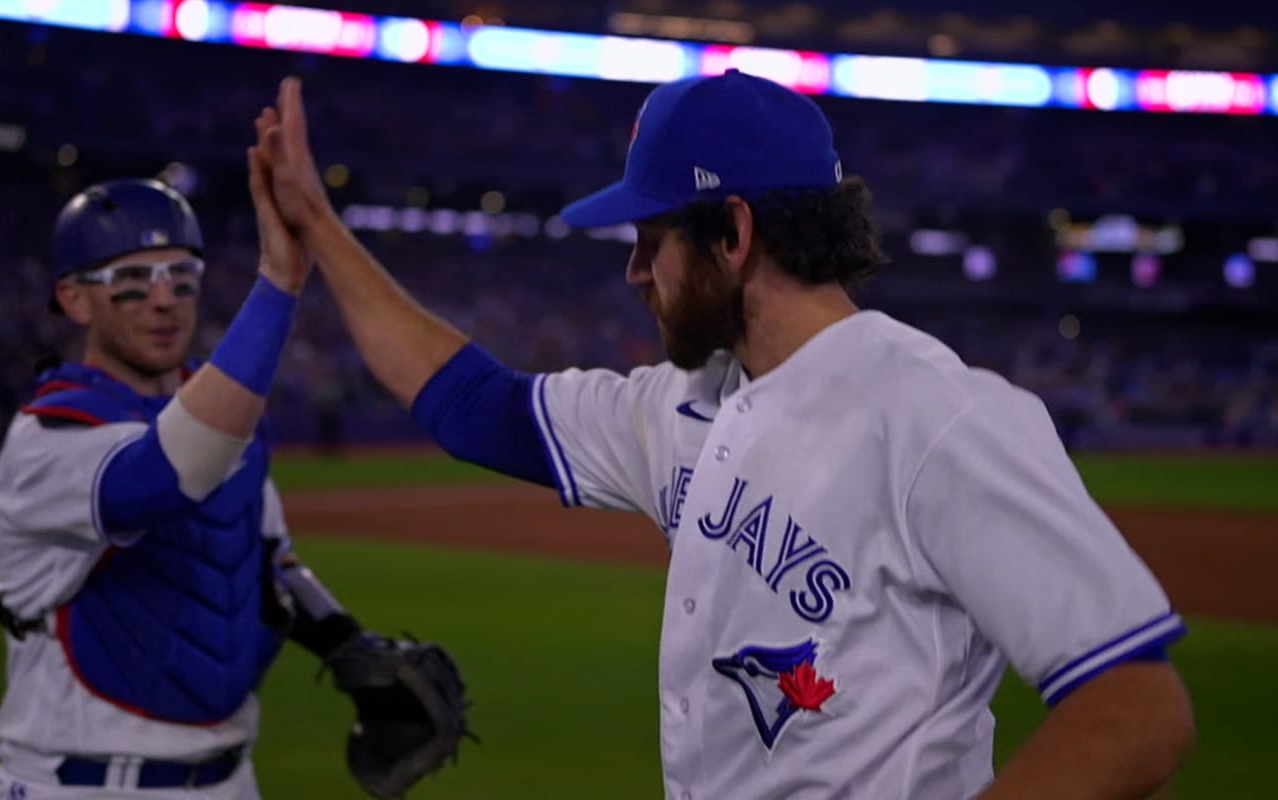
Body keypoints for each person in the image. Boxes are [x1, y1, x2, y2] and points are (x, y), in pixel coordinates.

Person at [254, 71, 1194, 799]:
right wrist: (318, 228)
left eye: (651, 237)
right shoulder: (683, 406)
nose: (633, 270)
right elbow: (475, 409)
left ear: (732, 234)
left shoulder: (934, 414)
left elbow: (1139, 707)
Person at [0, 167, 466, 800]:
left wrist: (345, 645)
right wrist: (279, 284)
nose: (164, 299)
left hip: (230, 780)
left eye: (182, 277)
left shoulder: (224, 421)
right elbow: (168, 477)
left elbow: (271, 559)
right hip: (83, 782)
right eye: (131, 282)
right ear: (74, 300)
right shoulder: (49, 438)